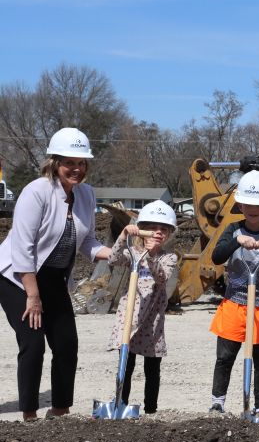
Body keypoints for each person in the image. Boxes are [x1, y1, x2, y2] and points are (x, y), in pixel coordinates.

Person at [0, 128, 114, 421]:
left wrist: (117, 253)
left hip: (54, 277)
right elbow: (23, 247)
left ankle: (60, 411)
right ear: (54, 162)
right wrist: (32, 295)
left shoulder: (86, 194)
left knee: (66, 343)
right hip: (17, 276)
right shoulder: (36, 191)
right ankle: (29, 415)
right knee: (33, 342)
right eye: (69, 163)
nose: (76, 169)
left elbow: (88, 242)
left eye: (81, 163)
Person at [208, 171, 259, 414]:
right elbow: (217, 257)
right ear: (240, 205)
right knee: (225, 357)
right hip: (234, 303)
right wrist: (237, 241)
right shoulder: (233, 229)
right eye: (248, 204)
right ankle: (217, 402)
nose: (253, 209)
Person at [106, 201, 179, 415]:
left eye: (163, 229)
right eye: (153, 228)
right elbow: (113, 259)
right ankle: (120, 404)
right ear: (143, 230)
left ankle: (151, 410)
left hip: (152, 319)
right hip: (130, 315)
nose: (158, 232)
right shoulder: (133, 253)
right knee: (126, 364)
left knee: (152, 368)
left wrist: (152, 255)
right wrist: (123, 235)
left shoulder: (169, 257)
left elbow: (161, 277)